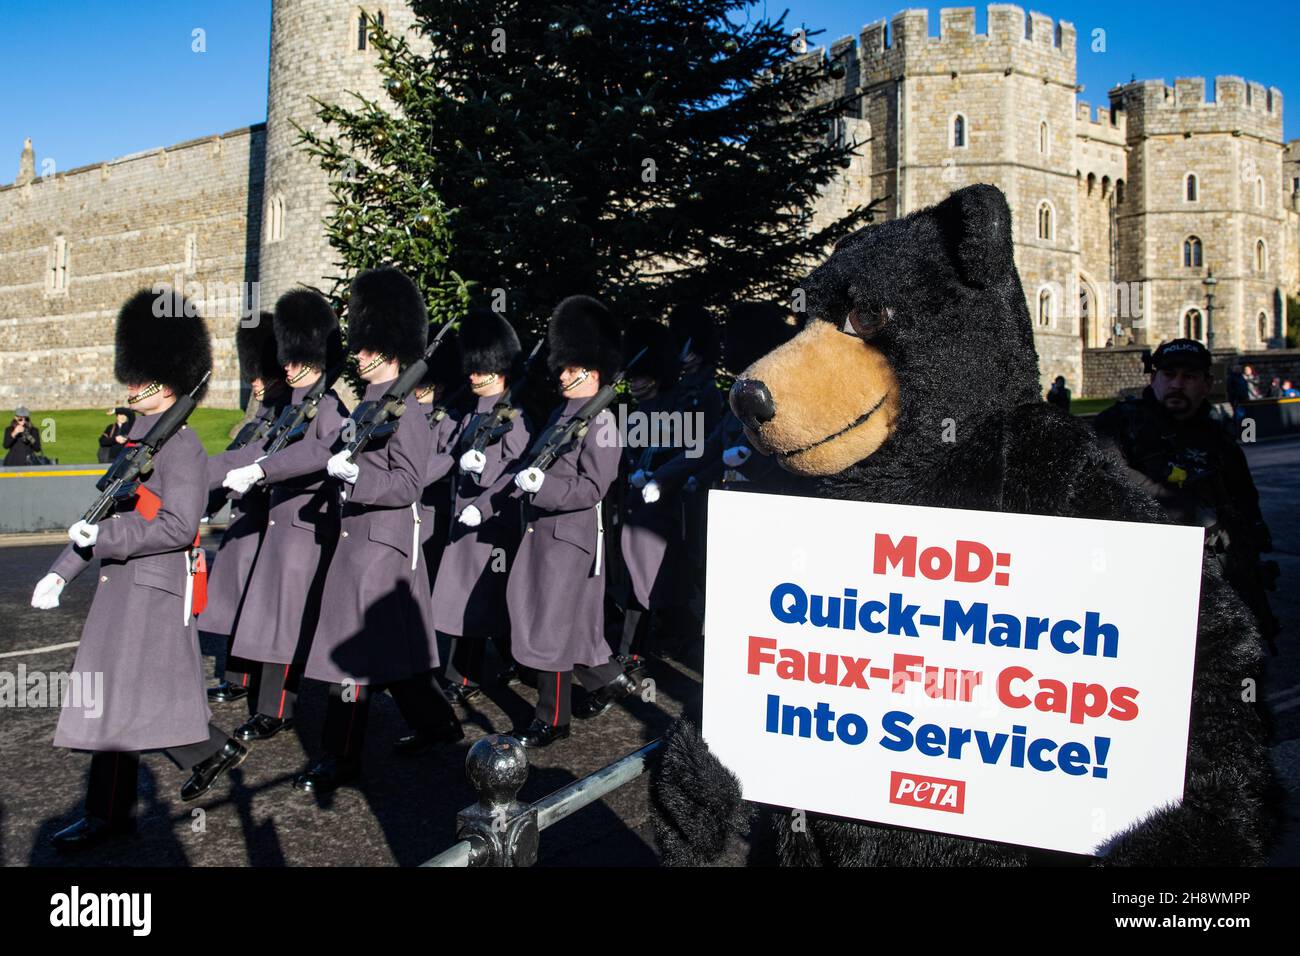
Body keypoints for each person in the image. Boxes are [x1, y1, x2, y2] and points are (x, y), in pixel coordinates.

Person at [29, 288, 246, 851]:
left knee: (118, 702)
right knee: (124, 702)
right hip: (122, 587)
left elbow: (178, 525)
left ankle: (109, 815)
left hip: (152, 588)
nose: (130, 383)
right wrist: (60, 571)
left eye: (141, 373)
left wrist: (106, 537)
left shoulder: (183, 445)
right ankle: (191, 762)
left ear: (166, 378)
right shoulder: (143, 439)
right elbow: (97, 516)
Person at [297, 267, 462, 792]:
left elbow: (409, 484)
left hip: (383, 545)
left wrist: (357, 475)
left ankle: (339, 757)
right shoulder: (368, 405)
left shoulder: (409, 413)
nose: (358, 355)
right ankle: (439, 725)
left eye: (367, 348)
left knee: (354, 658)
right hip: (358, 540)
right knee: (399, 657)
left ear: (387, 349)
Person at [456, 295, 625, 747]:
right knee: (556, 622)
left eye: (573, 369)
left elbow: (593, 489)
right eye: (563, 368)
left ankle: (552, 720)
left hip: (571, 536)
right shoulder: (559, 414)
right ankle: (605, 679)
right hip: (541, 532)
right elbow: (525, 468)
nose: (563, 375)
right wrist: (488, 499)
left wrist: (543, 488)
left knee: (549, 623)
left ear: (595, 371)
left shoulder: (604, 422)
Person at [220, 289, 348, 746]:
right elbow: (254, 449)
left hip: (306, 528)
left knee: (285, 620)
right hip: (281, 525)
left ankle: (276, 710)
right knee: (271, 617)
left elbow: (319, 451)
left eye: (297, 360)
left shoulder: (329, 407)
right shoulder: (289, 409)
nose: (288, 367)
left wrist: (264, 469)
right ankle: (266, 702)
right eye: (287, 359)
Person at [1094, 338, 1280, 647]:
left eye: (1189, 377)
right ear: (1154, 379)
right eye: (1169, 375)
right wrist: (1188, 514)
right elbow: (1104, 475)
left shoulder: (1220, 443)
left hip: (1213, 590)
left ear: (1207, 384)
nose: (1177, 384)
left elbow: (1246, 506)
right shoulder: (1121, 425)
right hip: (1141, 585)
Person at [430, 307, 531, 707]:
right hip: (463, 518)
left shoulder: (516, 417)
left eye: (480, 368)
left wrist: (483, 467)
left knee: (482, 601)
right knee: (464, 600)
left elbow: (517, 471)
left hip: (493, 522)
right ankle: (476, 670)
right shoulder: (470, 412)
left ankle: (470, 673)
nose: (472, 375)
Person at [203, 313, 290, 705]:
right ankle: (237, 677)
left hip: (270, 522)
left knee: (265, 613)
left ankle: (271, 698)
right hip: (245, 521)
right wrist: (209, 501)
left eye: (260, 374)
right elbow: (235, 458)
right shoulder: (259, 415)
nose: (253, 382)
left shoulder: (287, 411)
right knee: (239, 605)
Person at [601, 319, 687, 710]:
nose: (636, 385)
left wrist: (658, 478)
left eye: (642, 378)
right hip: (635, 505)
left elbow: (686, 452)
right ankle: (633, 648)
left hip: (659, 507)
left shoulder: (676, 405)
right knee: (637, 579)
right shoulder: (635, 411)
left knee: (648, 581)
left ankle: (636, 648)